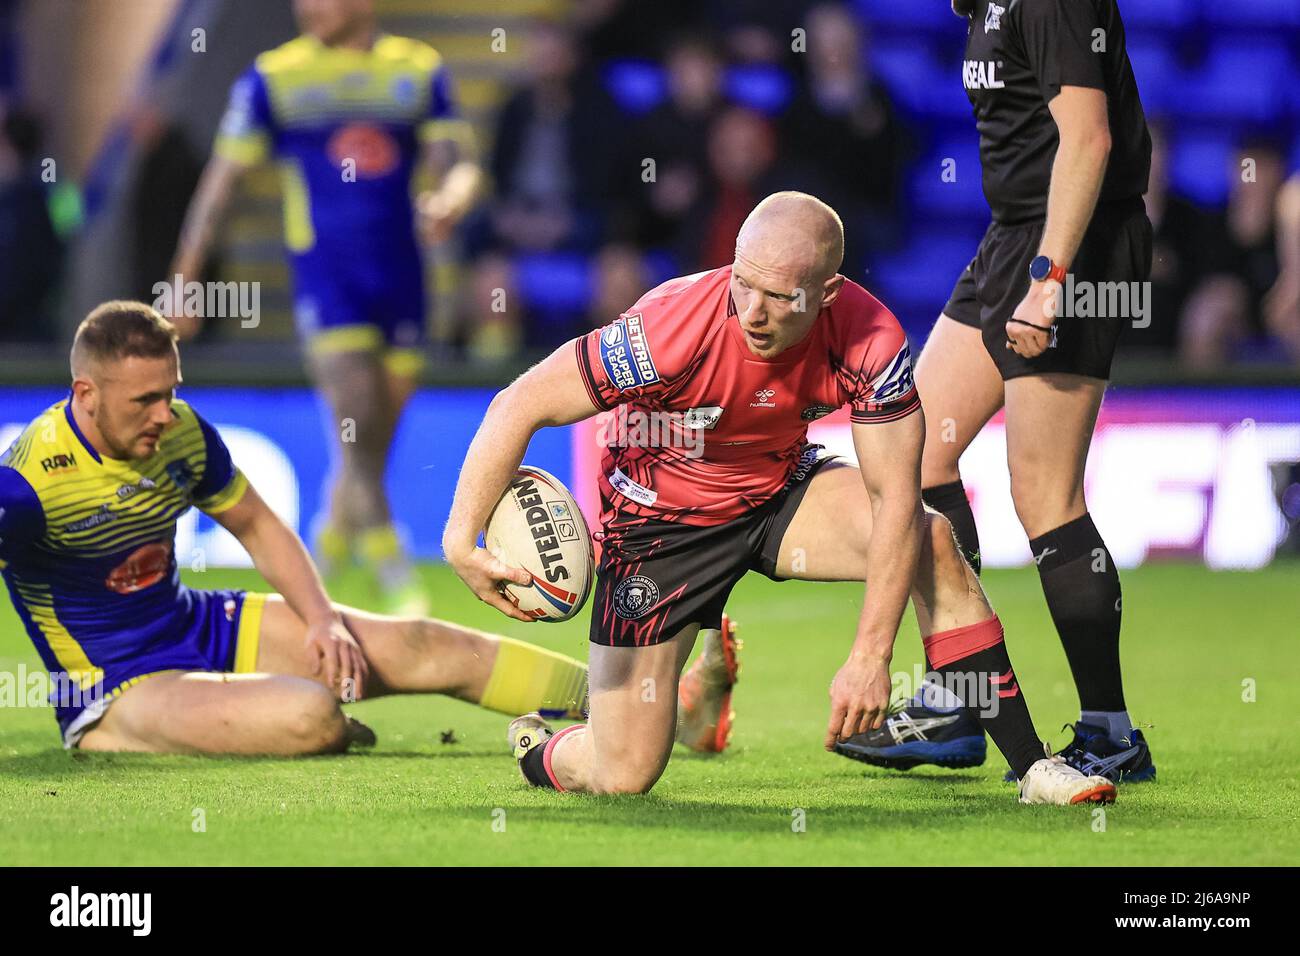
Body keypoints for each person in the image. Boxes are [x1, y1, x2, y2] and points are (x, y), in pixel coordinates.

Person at [443, 191, 1117, 806]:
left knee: (933, 538)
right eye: (744, 284)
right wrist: (460, 540)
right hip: (659, 526)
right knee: (623, 774)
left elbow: (895, 504)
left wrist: (870, 656)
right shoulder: (668, 331)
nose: (753, 312)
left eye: (779, 297)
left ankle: (1034, 769)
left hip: (777, 492)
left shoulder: (870, 339)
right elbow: (518, 403)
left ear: (827, 293)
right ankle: (543, 743)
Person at [0, 301, 732, 754]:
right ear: (85, 394)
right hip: (117, 689)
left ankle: (663, 709)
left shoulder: (182, 435)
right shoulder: (29, 483)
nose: (165, 414)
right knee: (312, 714)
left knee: (415, 641)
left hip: (195, 623)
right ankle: (157, 735)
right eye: (144, 402)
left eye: (171, 393)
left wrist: (322, 621)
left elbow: (256, 524)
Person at [846, 0, 1157, 783]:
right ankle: (959, 698)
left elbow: (1089, 137)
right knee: (916, 458)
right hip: (1011, 236)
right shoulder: (985, 4)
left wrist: (1050, 278)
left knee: (1045, 497)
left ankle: (1110, 732)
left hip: (1073, 251)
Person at [167, 0, 478, 614]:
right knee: (356, 411)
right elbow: (221, 181)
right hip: (325, 278)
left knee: (374, 432)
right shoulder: (275, 76)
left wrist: (451, 200)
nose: (308, 6)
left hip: (403, 277)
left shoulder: (416, 70)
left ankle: (329, 540)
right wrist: (185, 275)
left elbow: (459, 166)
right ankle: (394, 567)